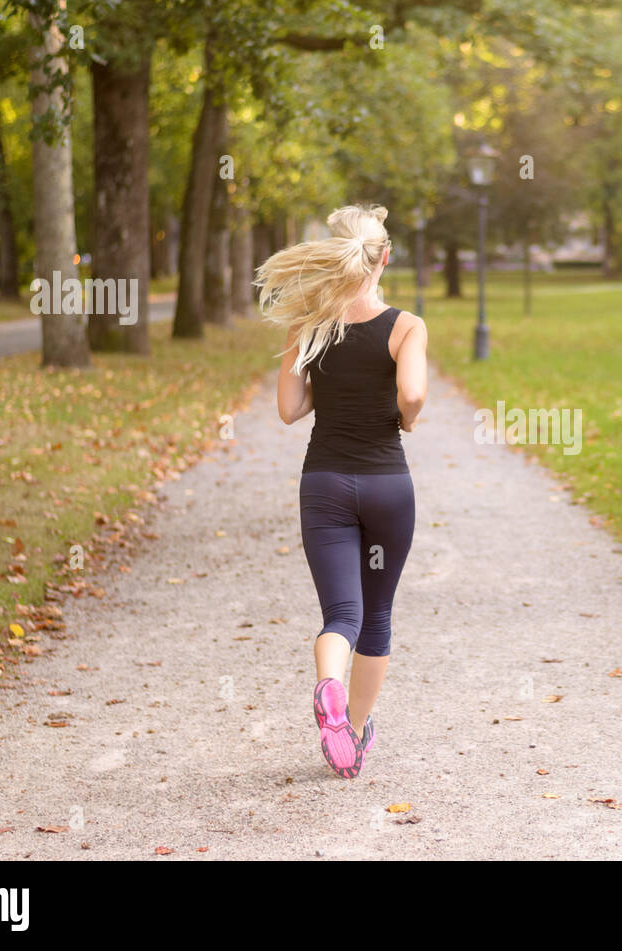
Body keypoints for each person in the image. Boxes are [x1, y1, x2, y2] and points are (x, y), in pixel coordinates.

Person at [255, 204, 428, 778]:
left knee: (341, 614)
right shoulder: (405, 326)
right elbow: (415, 394)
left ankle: (328, 685)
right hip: (387, 487)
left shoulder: (307, 325)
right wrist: (404, 418)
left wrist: (325, 393)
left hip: (325, 484)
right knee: (377, 617)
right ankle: (350, 731)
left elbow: (288, 410)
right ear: (385, 257)